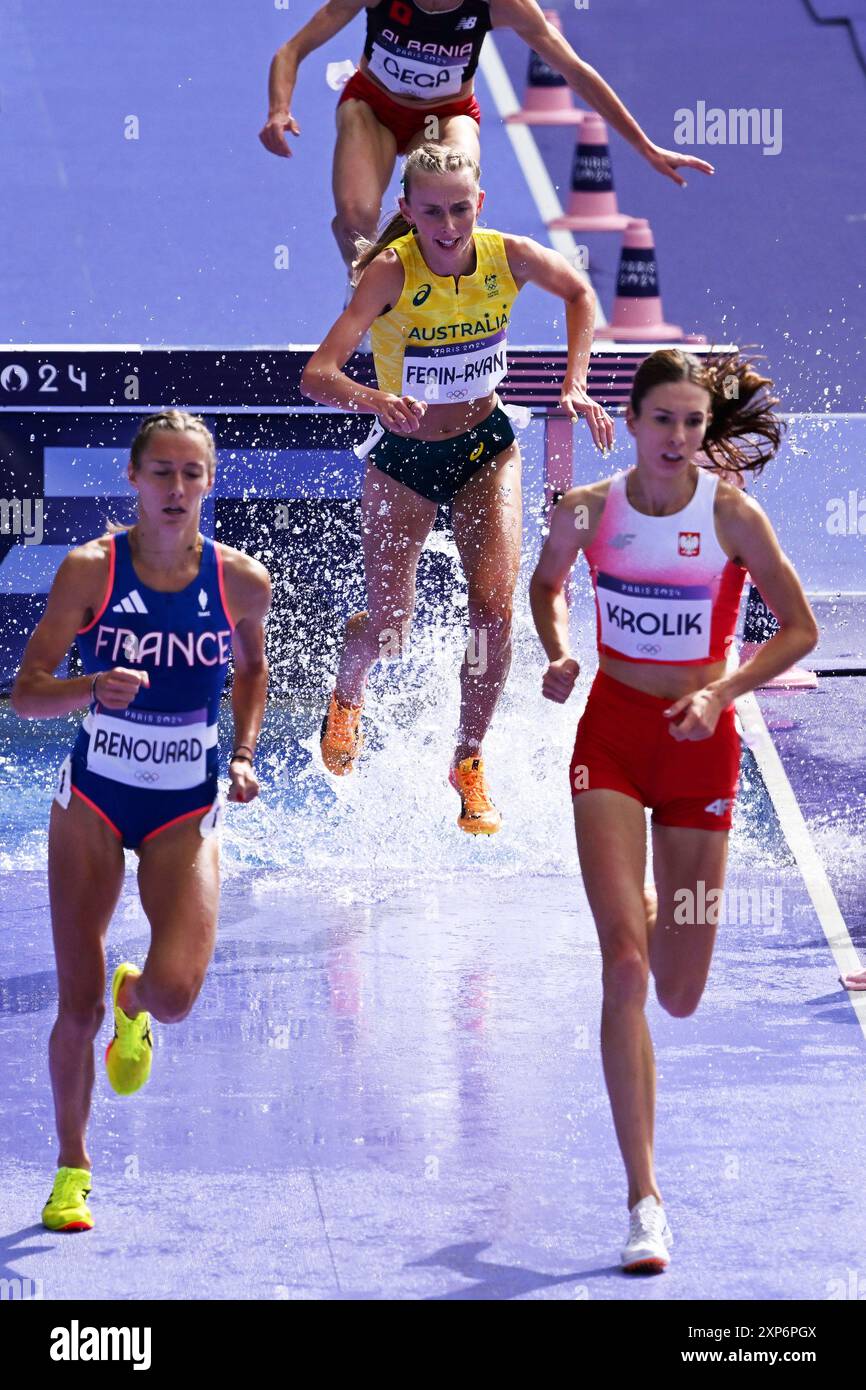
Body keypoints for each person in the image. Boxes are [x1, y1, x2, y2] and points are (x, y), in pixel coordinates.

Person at [529, 348, 818, 1271]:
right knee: (623, 968)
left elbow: (803, 630)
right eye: (664, 421)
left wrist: (723, 692)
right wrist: (561, 648)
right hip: (611, 741)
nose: (680, 439)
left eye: (695, 424)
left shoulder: (733, 516)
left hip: (701, 753)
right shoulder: (588, 512)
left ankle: (652, 910)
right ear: (636, 418)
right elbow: (545, 587)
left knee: (680, 991)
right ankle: (644, 1200)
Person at [301, 141, 613, 833]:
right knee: (389, 629)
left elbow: (580, 292)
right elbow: (317, 375)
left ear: (481, 205)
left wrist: (575, 382)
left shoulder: (510, 256)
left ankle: (468, 761)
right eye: (433, 211)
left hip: (486, 451)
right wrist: (375, 401)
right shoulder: (388, 273)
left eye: (461, 209)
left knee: (494, 612)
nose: (448, 225)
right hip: (402, 463)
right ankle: (348, 695)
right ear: (408, 211)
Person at [11, 410, 272, 1233]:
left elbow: (253, 668)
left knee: (176, 994)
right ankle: (71, 1170)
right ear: (132, 480)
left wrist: (243, 752)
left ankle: (139, 998)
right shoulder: (91, 571)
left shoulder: (241, 582)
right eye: (160, 472)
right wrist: (91, 690)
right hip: (92, 799)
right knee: (76, 1003)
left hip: (183, 806)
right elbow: (24, 691)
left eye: (191, 473)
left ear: (209, 482)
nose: (175, 488)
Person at [259, 0, 715, 269]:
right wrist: (279, 110)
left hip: (447, 114)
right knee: (357, 221)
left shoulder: (501, 5)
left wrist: (645, 147)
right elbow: (291, 49)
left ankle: (444, 301)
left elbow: (574, 71)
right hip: (372, 108)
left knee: (449, 195)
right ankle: (362, 291)